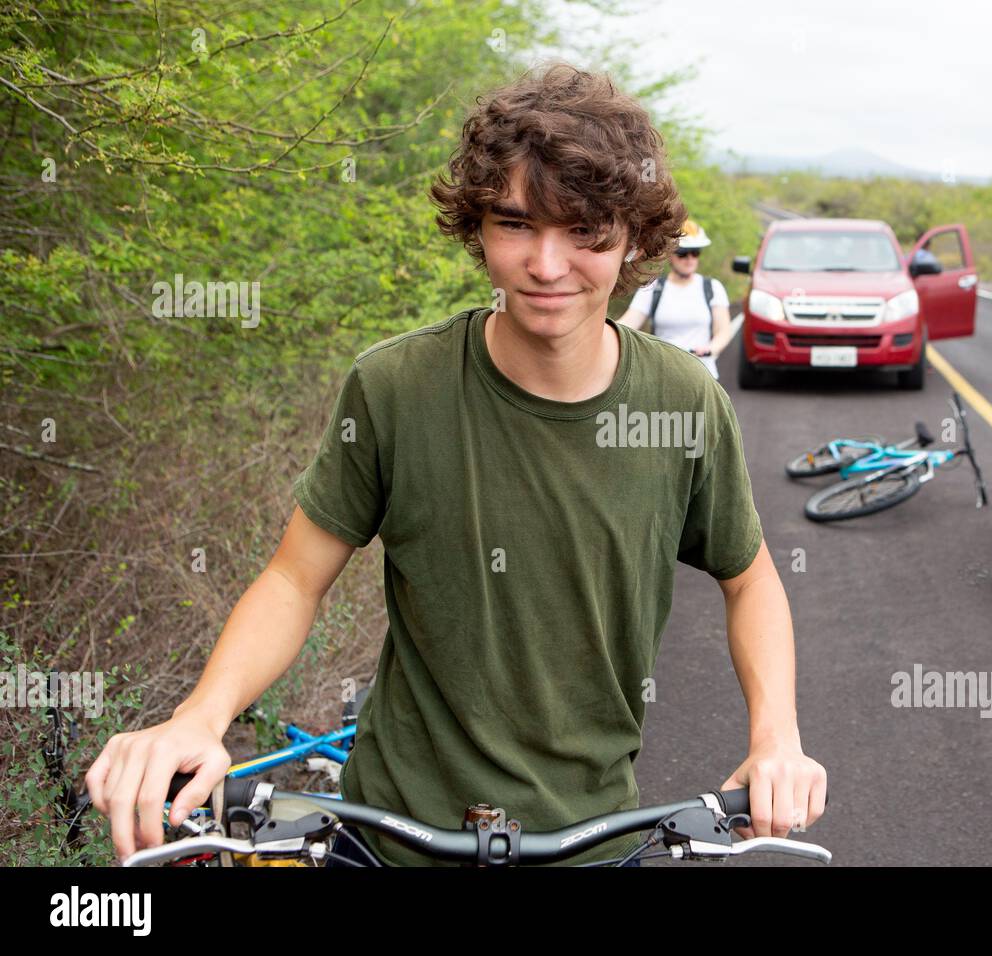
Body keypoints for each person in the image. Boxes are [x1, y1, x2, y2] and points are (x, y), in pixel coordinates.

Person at [84, 62, 827, 867]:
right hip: (385, 836)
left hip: (593, 840)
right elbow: (295, 579)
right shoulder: (396, 387)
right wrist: (200, 716)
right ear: (476, 226)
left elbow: (749, 578)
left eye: (585, 232)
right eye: (516, 225)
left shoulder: (683, 402)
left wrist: (776, 737)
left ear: (637, 238)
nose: (547, 265)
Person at [617, 219, 733, 380]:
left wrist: (710, 349)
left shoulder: (713, 288)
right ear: (670, 254)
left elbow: (723, 331)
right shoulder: (652, 289)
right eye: (683, 253)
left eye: (695, 252)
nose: (690, 259)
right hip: (664, 376)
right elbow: (628, 323)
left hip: (703, 375)